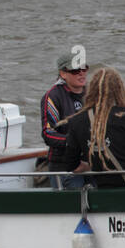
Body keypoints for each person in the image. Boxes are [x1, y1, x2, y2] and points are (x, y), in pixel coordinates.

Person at [64, 67, 125, 188]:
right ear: (119, 89)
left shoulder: (76, 121)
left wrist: (93, 164)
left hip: (100, 187)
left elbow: (71, 165)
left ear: (91, 90)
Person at [40, 52, 88, 189]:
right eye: (75, 70)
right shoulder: (52, 97)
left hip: (91, 164)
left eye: (84, 69)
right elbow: (47, 133)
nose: (81, 73)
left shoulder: (92, 92)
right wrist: (74, 142)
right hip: (64, 167)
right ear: (63, 74)